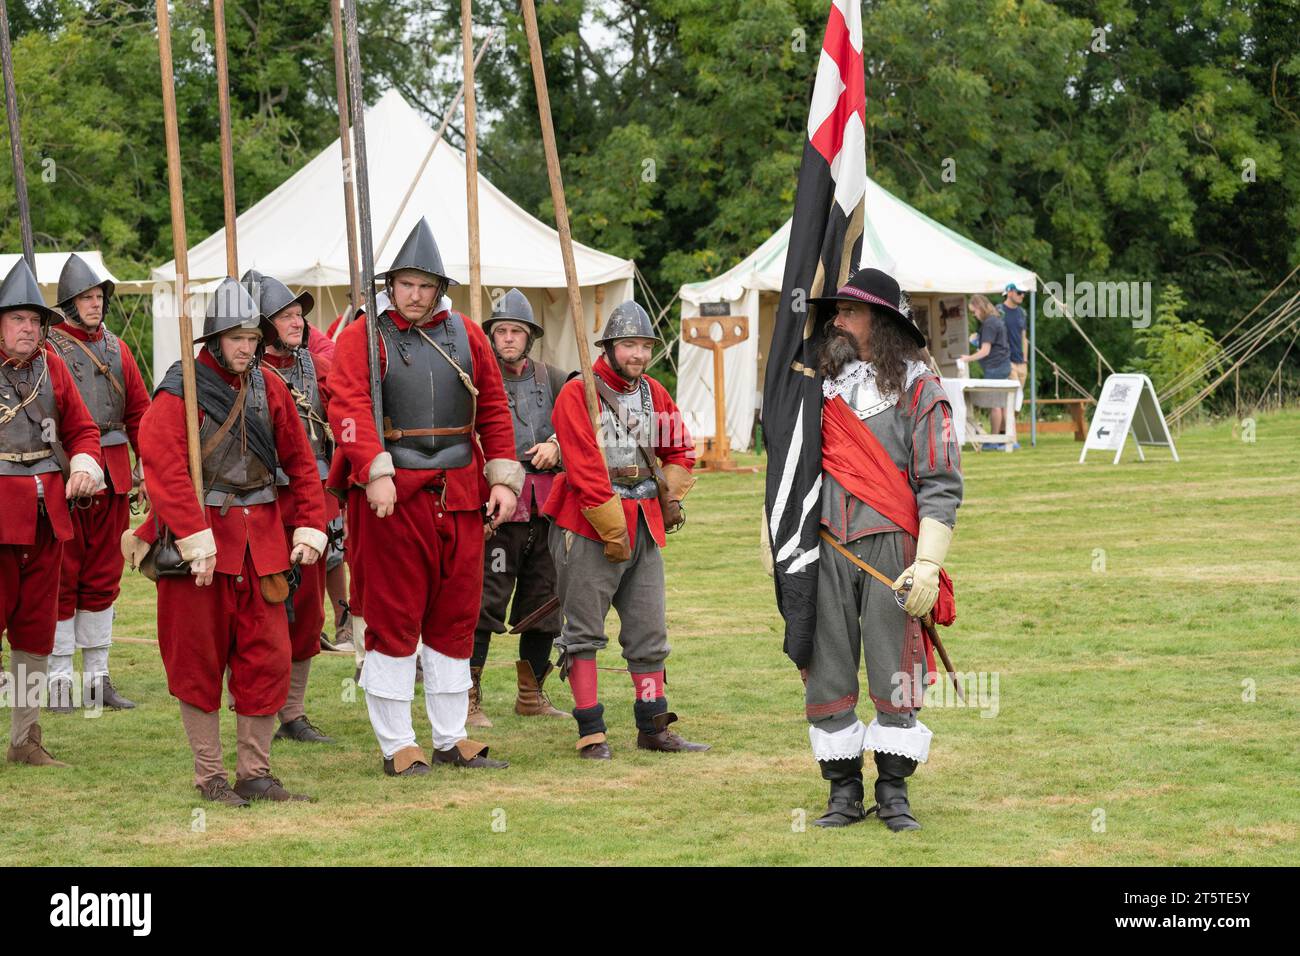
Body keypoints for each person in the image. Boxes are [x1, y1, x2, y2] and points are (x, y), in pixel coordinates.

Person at [327, 217, 521, 776]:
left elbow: (492, 410)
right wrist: (373, 468)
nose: (415, 295)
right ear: (391, 286)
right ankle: (396, 745)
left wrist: (504, 479)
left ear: (439, 288)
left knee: (454, 616)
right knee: (392, 617)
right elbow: (347, 409)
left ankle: (451, 736)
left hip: (459, 491)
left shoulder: (467, 333)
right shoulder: (362, 336)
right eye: (406, 284)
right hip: (394, 495)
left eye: (425, 285)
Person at [129, 279, 327, 805]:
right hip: (200, 542)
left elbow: (302, 463)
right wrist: (194, 535)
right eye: (236, 337)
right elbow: (163, 467)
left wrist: (310, 522)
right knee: (196, 660)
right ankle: (211, 776)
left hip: (260, 541)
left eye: (252, 337)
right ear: (214, 339)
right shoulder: (181, 389)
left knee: (268, 658)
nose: (246, 347)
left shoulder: (271, 387)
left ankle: (255, 773)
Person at [803, 268, 962, 831]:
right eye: (836, 313)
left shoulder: (921, 390)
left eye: (849, 312)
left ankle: (893, 792)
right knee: (828, 670)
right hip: (828, 547)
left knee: (899, 672)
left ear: (883, 323)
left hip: (893, 553)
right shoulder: (818, 388)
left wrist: (928, 563)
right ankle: (843, 791)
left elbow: (941, 482)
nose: (837, 322)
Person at [545, 300, 705, 760]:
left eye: (643, 346)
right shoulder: (579, 392)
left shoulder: (655, 392)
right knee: (583, 633)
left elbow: (680, 449)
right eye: (628, 344)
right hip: (588, 524)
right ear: (610, 347)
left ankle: (653, 726)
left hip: (645, 525)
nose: (637, 354)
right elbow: (582, 465)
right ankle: (591, 731)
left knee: (648, 632)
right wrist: (611, 523)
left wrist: (669, 496)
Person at [0, 258, 104, 767]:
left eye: (35, 321)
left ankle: (24, 739)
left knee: (36, 631)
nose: (28, 329)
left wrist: (85, 461)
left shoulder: (52, 364)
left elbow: (83, 428)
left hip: (47, 516)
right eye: (18, 319)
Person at [45, 254, 150, 714]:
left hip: (113, 474)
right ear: (68, 303)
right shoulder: (47, 349)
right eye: (85, 298)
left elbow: (140, 414)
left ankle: (98, 680)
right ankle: (60, 681)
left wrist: (146, 466)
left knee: (104, 578)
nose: (95, 305)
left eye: (98, 297)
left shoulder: (118, 348)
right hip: (65, 472)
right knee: (64, 577)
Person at [241, 270, 336, 743]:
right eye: (285, 316)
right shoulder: (246, 373)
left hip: (308, 497)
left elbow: (343, 418)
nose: (297, 323)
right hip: (259, 500)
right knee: (263, 606)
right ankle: (255, 703)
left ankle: (293, 713)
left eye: (299, 315)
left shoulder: (314, 366)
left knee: (308, 609)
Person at [470, 289, 570, 726]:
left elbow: (583, 429)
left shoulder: (556, 379)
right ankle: (469, 698)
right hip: (498, 508)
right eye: (501, 331)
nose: (508, 339)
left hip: (548, 509)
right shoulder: (473, 382)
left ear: (530, 337)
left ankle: (531, 695)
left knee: (544, 604)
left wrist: (556, 445)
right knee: (484, 604)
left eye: (516, 331)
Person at [957, 294, 1011, 443]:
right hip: (1003, 365)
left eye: (974, 312)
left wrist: (967, 358)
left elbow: (985, 351)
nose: (974, 315)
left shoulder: (988, 324)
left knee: (995, 405)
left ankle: (993, 440)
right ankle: (1005, 438)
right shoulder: (996, 320)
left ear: (980, 307)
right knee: (1003, 404)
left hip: (995, 367)